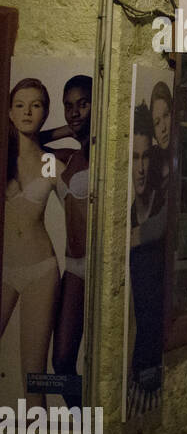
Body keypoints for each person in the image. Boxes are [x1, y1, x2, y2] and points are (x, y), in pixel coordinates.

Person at [1, 79, 66, 407]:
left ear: (45, 112)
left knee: (33, 374)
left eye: (36, 105)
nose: (27, 111)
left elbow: (80, 206)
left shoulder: (52, 164)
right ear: (9, 113)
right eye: (20, 105)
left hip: (42, 270)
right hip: (5, 268)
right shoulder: (3, 157)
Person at [47, 76, 92, 407]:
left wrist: (86, 128)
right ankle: (84, 422)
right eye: (68, 105)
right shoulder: (64, 158)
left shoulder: (107, 153)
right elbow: (25, 141)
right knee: (62, 361)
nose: (74, 111)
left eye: (83, 103)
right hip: (75, 268)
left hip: (104, 266)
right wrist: (70, 128)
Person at [128, 103, 166, 417]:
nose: (140, 168)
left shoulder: (162, 204)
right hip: (134, 361)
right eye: (133, 159)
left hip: (151, 364)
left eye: (145, 158)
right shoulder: (126, 212)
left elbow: (156, 230)